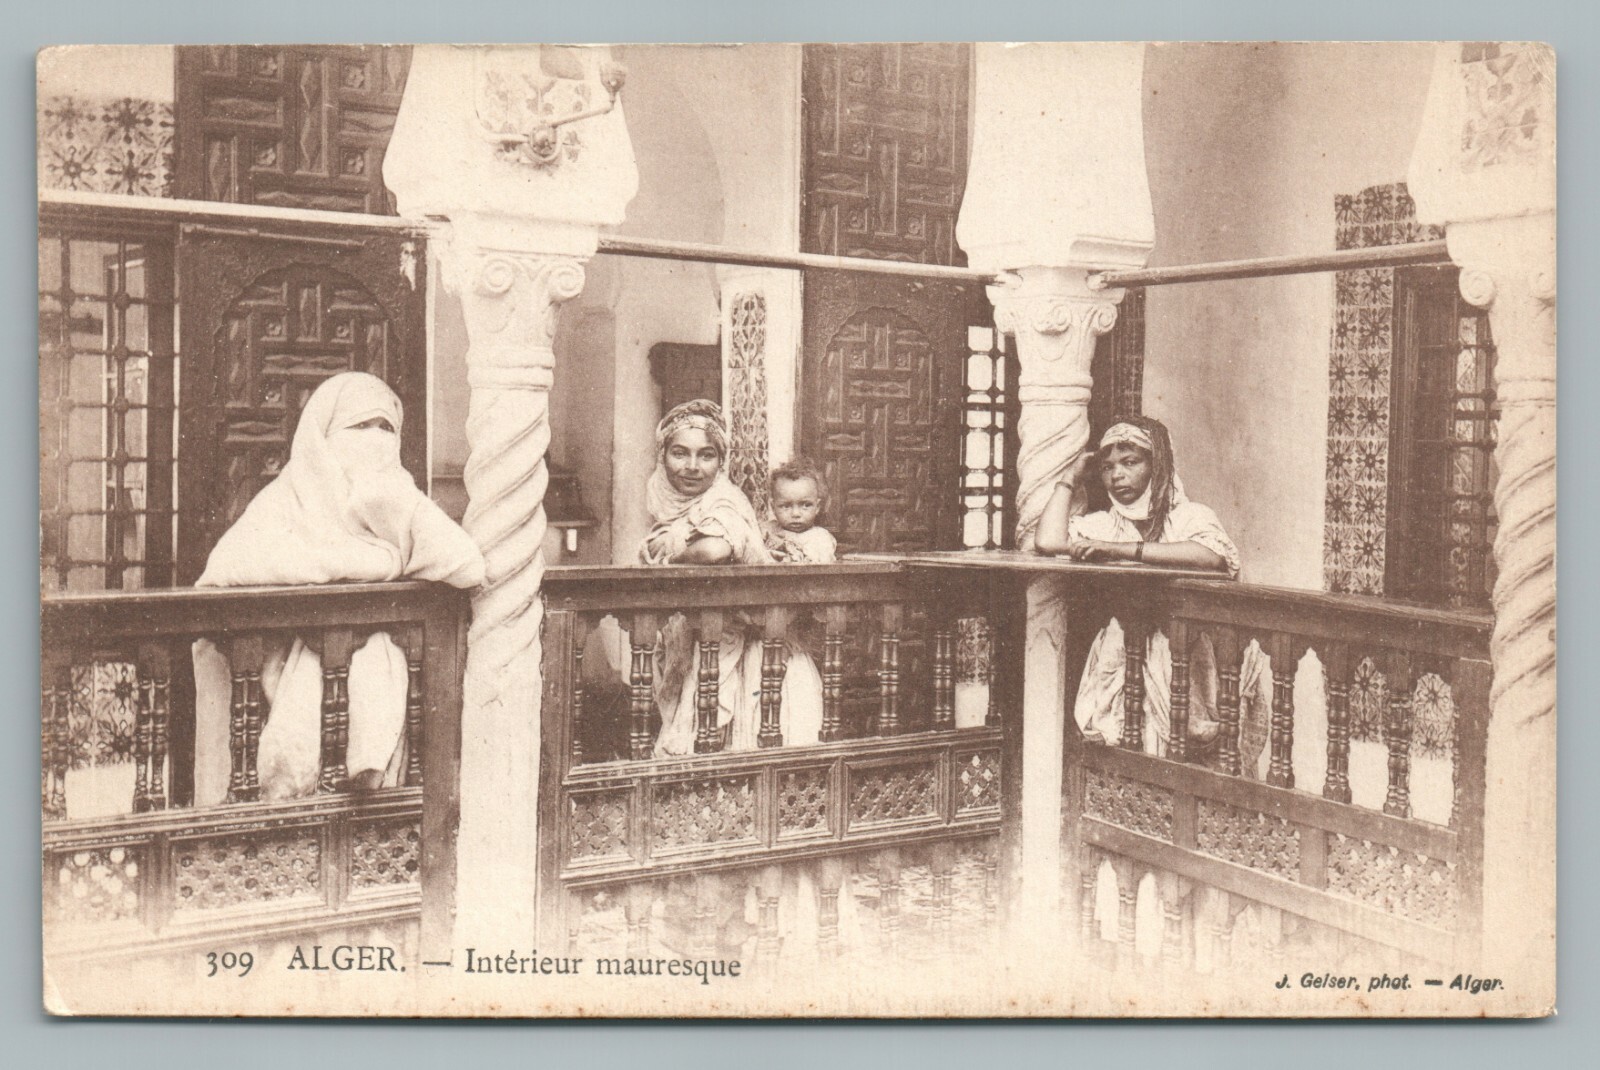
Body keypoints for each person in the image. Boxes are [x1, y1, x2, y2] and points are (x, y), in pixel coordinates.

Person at [192, 373, 484, 805]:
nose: (376, 439)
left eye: (387, 429)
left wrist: (391, 502)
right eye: (360, 427)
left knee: (374, 647)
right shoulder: (283, 501)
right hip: (277, 671)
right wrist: (374, 562)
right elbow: (227, 569)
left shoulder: (394, 498)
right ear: (323, 437)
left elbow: (466, 564)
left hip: (380, 694)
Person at [1035, 416, 1260, 757]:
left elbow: (1211, 555)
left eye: (1130, 462)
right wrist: (1070, 479)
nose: (1117, 475)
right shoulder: (1107, 524)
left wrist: (1121, 551)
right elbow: (1048, 540)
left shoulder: (1189, 517)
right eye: (1108, 467)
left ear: (1158, 466)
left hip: (1191, 654)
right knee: (1131, 743)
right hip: (1129, 649)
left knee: (1192, 750)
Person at [639, 400, 773, 756]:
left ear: (721, 461)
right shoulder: (663, 499)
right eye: (680, 453)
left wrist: (674, 549)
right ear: (662, 455)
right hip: (693, 635)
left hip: (738, 640)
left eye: (706, 455)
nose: (693, 467)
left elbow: (715, 550)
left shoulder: (724, 500)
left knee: (716, 740)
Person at [765, 458, 838, 565]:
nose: (796, 514)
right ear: (773, 507)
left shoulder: (821, 538)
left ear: (817, 507)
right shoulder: (767, 531)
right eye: (786, 506)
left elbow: (821, 562)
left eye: (805, 505)